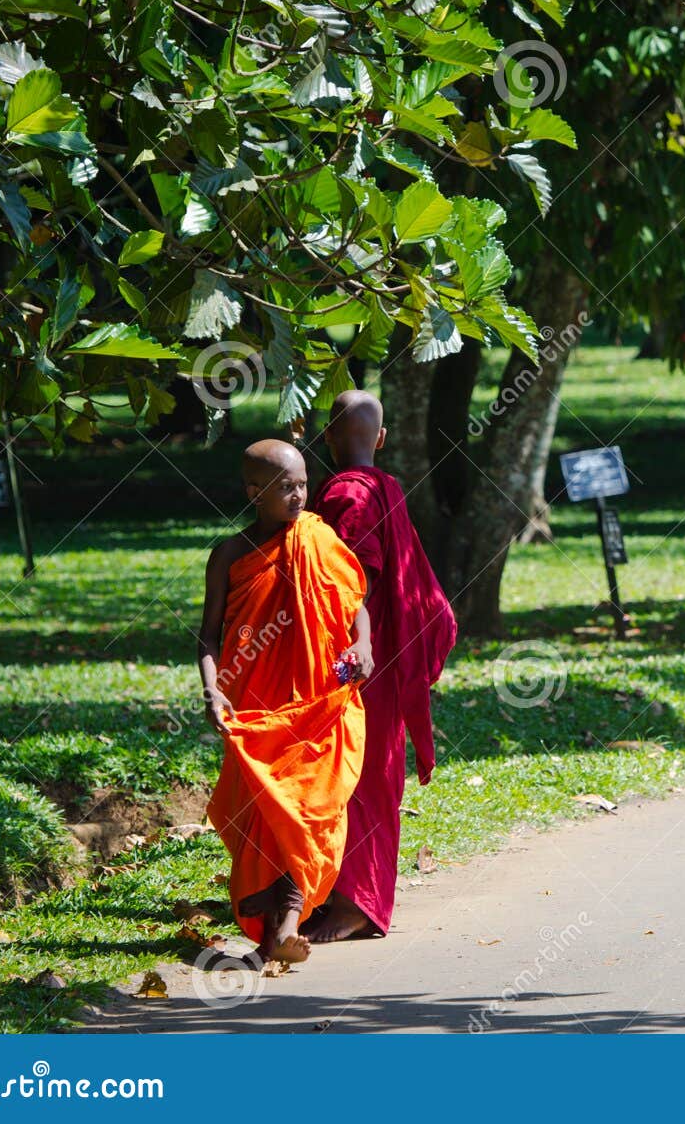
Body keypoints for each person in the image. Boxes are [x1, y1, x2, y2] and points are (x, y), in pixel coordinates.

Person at [199, 440, 371, 963]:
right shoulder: (230, 555)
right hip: (256, 707)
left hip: (318, 701)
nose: (299, 496)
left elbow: (353, 604)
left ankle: (289, 922)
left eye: (302, 484)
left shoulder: (319, 539)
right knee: (267, 813)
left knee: (312, 807)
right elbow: (208, 634)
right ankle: (276, 929)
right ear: (254, 493)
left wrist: (362, 645)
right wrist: (212, 688)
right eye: (285, 488)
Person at [305, 391, 458, 942]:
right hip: (386, 653)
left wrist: (351, 646)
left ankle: (355, 903)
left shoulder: (347, 492)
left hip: (361, 655)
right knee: (368, 771)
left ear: (326, 437)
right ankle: (335, 891)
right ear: (383, 439)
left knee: (360, 774)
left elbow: (354, 578)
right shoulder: (385, 485)